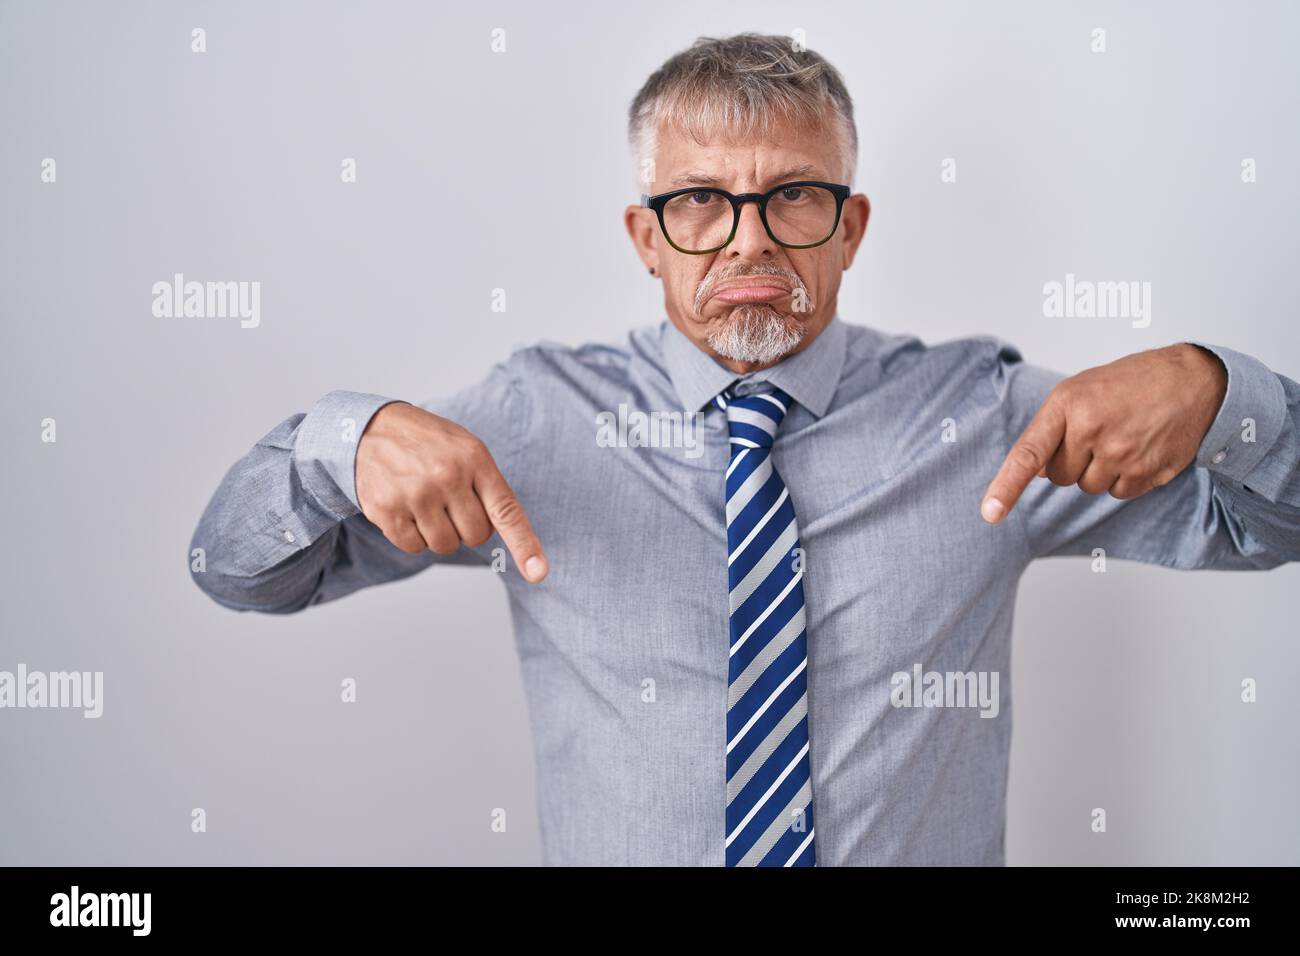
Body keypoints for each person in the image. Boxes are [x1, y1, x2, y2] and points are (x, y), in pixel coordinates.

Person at [189, 33, 1300, 866]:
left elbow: (1273, 521)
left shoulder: (985, 415)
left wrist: (1214, 388)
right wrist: (342, 440)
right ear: (645, 236)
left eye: (793, 197)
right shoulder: (532, 417)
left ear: (851, 226)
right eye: (700, 203)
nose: (749, 239)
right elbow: (241, 573)